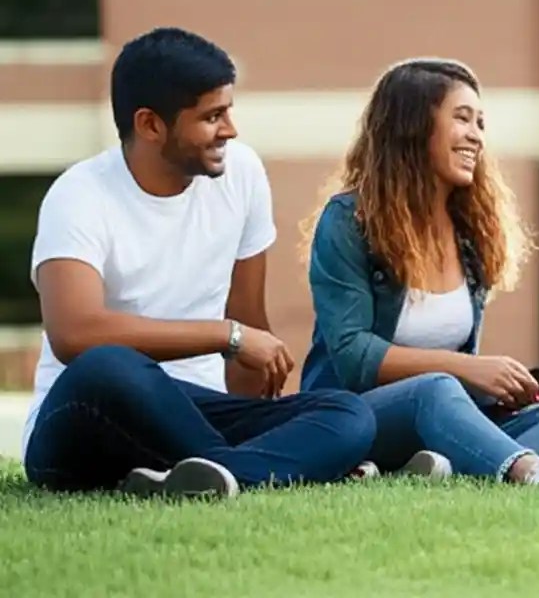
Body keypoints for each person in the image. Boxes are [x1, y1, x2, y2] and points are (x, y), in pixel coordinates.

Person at [21, 27, 377, 500]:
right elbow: (75, 335)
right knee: (112, 364)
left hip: (198, 410)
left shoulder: (242, 173)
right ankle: (255, 466)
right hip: (86, 416)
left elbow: (250, 324)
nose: (230, 129)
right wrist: (222, 335)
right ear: (150, 125)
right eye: (212, 116)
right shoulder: (79, 195)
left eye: (227, 111)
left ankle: (210, 477)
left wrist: (251, 379)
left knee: (348, 413)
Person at [299, 57, 539, 485]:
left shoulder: (469, 232)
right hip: (351, 418)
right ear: (412, 125)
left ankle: (440, 463)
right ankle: (530, 470)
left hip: (436, 414)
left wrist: (496, 389)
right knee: (435, 389)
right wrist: (467, 370)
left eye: (480, 122)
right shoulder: (349, 221)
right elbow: (353, 357)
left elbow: (459, 377)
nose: (476, 136)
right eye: (462, 119)